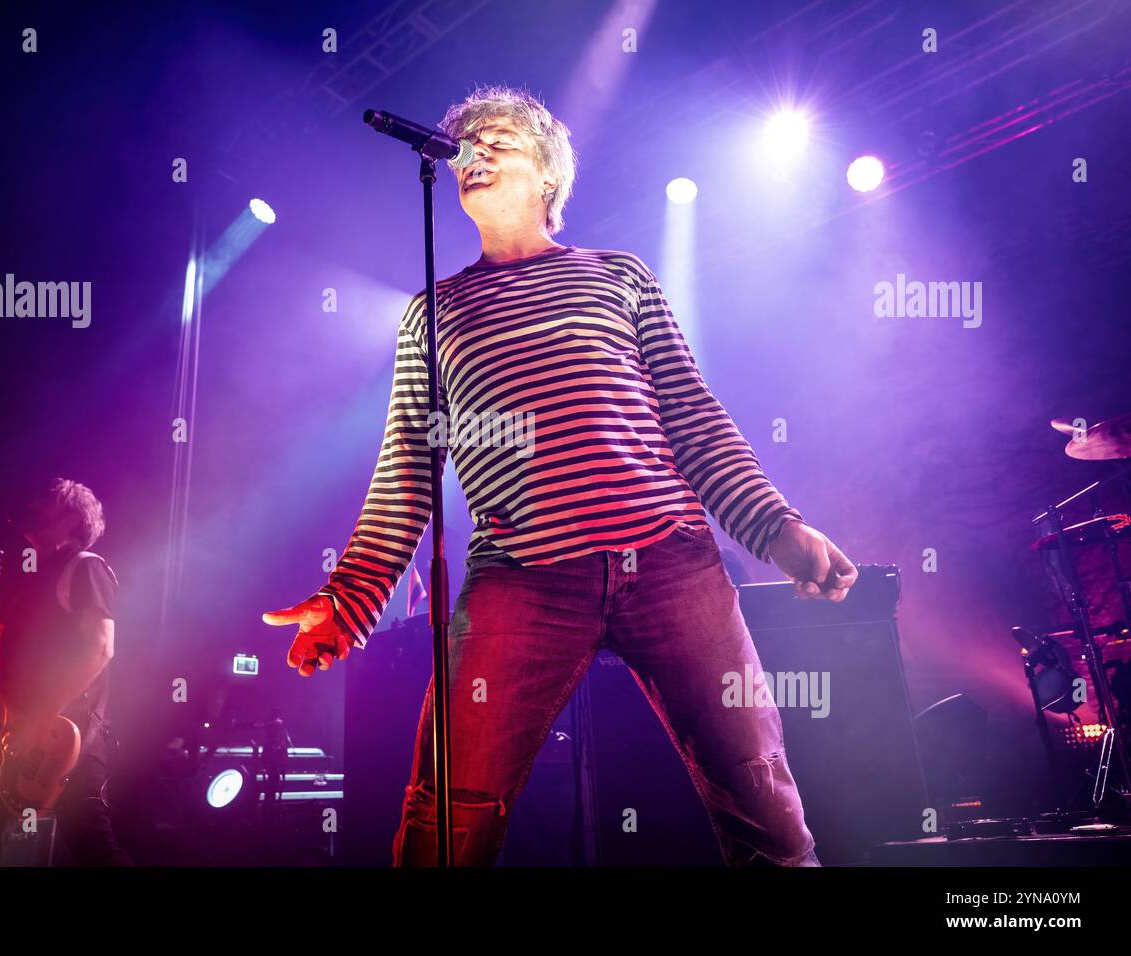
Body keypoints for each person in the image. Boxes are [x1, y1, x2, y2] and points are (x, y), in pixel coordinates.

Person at [263, 84, 857, 867]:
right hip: (521, 575)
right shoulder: (432, 312)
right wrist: (351, 597)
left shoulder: (619, 276)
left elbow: (694, 416)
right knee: (449, 809)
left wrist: (777, 528)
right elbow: (406, 467)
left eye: (499, 139)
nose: (475, 151)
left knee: (758, 792)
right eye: (465, 144)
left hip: (670, 561)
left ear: (549, 176)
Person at [0, 478, 132, 866]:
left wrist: (41, 718)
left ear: (70, 518)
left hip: (66, 739)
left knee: (93, 848)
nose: (32, 508)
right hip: (18, 739)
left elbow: (101, 647)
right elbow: (9, 678)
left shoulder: (86, 566)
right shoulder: (32, 580)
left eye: (44, 504)